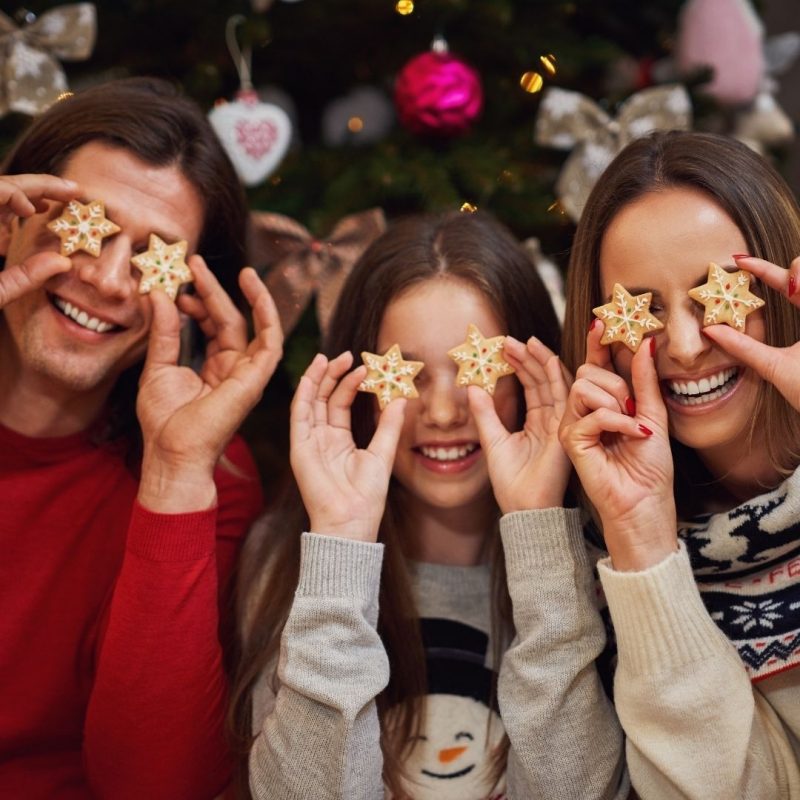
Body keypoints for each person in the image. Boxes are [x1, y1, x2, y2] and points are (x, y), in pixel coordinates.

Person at [230, 211, 628, 799]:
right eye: (409, 374)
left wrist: (542, 531)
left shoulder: (604, 571)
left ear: (532, 381)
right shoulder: (289, 563)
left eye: (477, 370)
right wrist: (340, 542)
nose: (443, 412)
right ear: (361, 387)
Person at [0, 78, 283, 799]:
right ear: (8, 224)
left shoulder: (210, 476)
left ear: (189, 300)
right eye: (85, 227)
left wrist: (177, 472)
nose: (109, 280)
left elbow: (155, 785)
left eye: (153, 257)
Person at [558, 130, 800, 798]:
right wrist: (642, 538)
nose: (688, 346)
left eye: (713, 294)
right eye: (647, 309)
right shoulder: (599, 561)